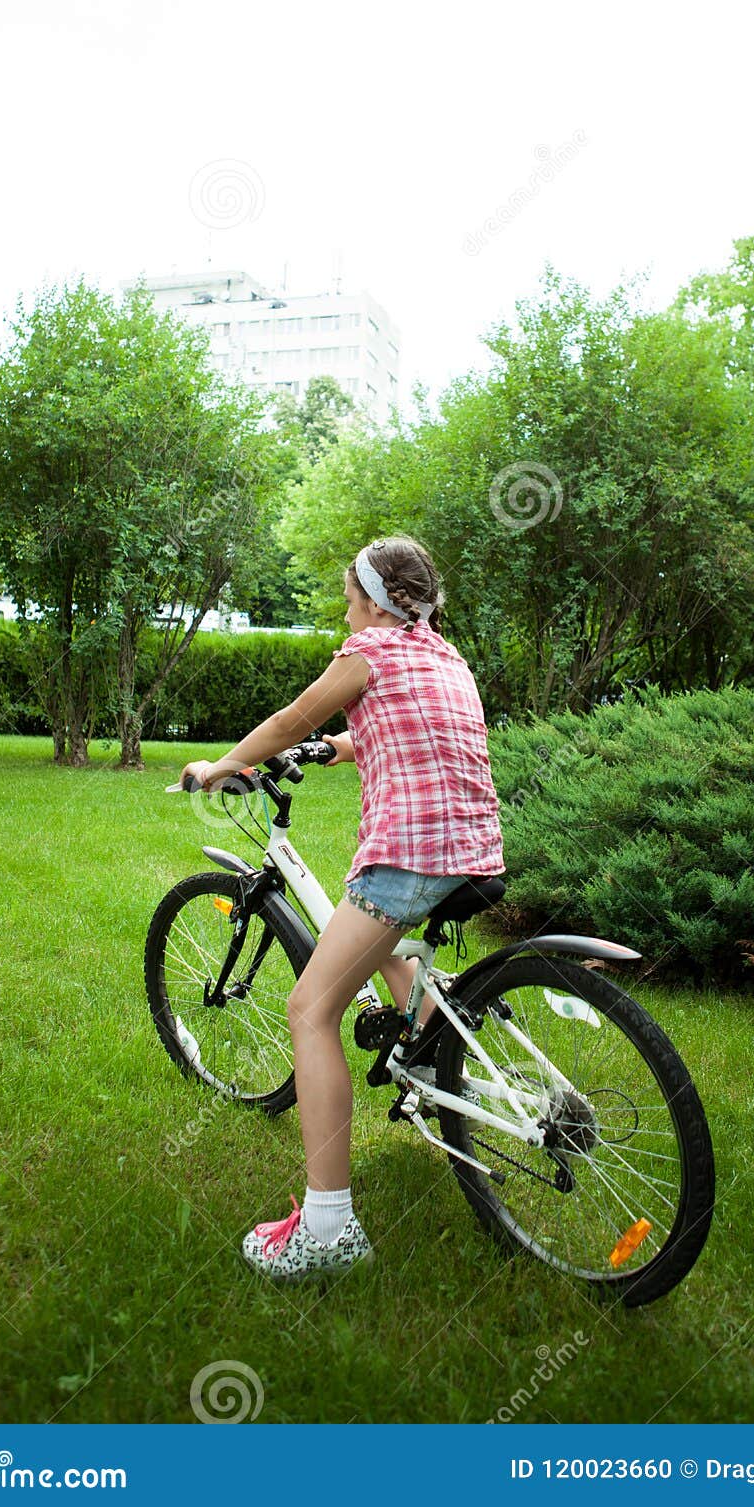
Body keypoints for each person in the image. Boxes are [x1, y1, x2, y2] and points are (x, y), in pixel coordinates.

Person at [179, 535, 505, 1279]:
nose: (346, 613)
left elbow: (289, 719)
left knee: (309, 1009)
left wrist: (222, 767)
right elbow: (401, 725)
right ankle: (435, 1057)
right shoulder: (442, 655)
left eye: (350, 600)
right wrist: (337, 748)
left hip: (409, 857)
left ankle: (327, 1230)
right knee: (374, 940)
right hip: (472, 851)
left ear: (375, 603)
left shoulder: (368, 650)